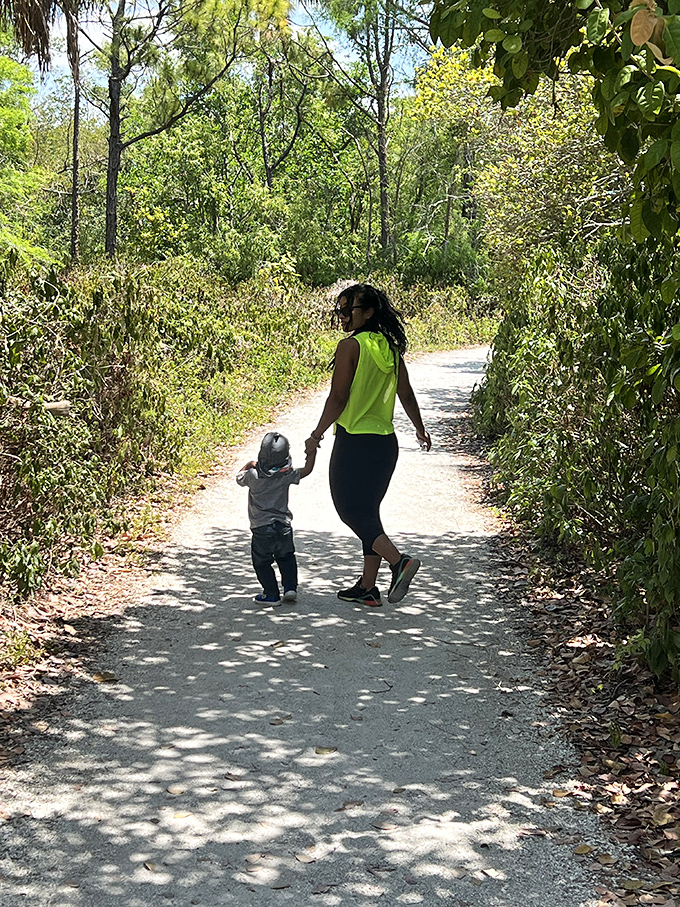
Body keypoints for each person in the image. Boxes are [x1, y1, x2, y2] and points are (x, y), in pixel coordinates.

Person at [305, 284, 432, 607]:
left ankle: (399, 561)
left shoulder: (350, 347)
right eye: (340, 310)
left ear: (369, 313)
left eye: (349, 310)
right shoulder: (390, 348)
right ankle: (367, 587)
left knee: (349, 510)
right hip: (385, 445)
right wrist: (419, 428)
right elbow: (406, 394)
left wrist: (316, 435)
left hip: (354, 442)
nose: (342, 316)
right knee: (368, 513)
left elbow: (338, 398)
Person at [237, 431, 316, 604]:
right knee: (287, 557)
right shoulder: (286, 475)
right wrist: (312, 451)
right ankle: (290, 588)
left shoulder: (253, 475)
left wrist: (249, 464)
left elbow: (238, 478)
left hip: (261, 527)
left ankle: (271, 593)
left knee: (262, 562)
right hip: (283, 526)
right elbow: (307, 470)